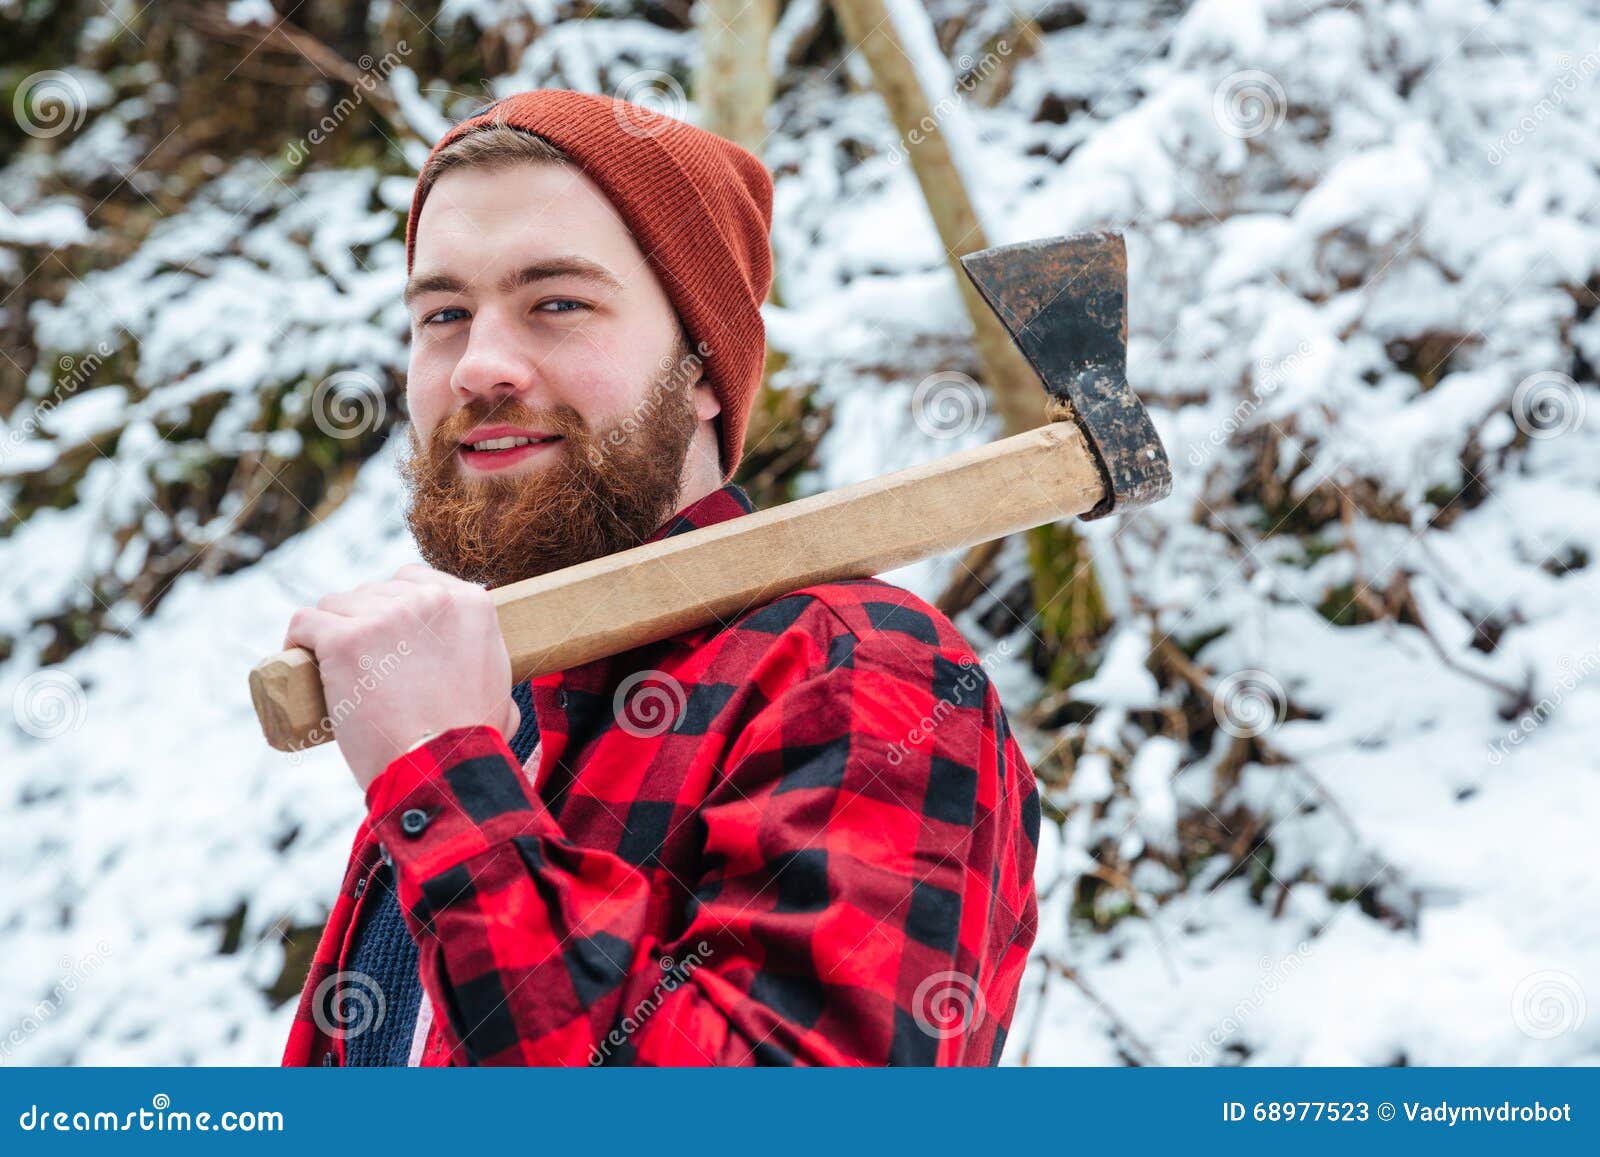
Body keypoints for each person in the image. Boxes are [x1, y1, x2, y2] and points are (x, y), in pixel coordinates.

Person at [278, 89, 1040, 1067]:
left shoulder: (860, 676)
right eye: (444, 314)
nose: (479, 365)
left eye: (556, 302)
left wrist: (446, 776)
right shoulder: (483, 695)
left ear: (705, 370)